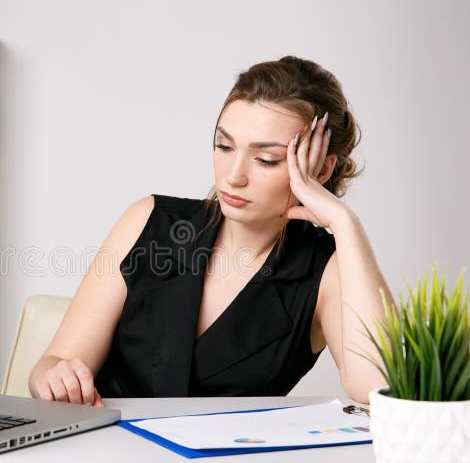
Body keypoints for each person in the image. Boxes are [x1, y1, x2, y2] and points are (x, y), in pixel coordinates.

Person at [28, 55, 393, 407]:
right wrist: (53, 376)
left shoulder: (325, 270)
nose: (234, 176)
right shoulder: (149, 221)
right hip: (108, 454)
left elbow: (378, 386)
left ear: (322, 170)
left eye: (265, 159)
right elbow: (56, 361)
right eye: (224, 145)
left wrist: (346, 225)